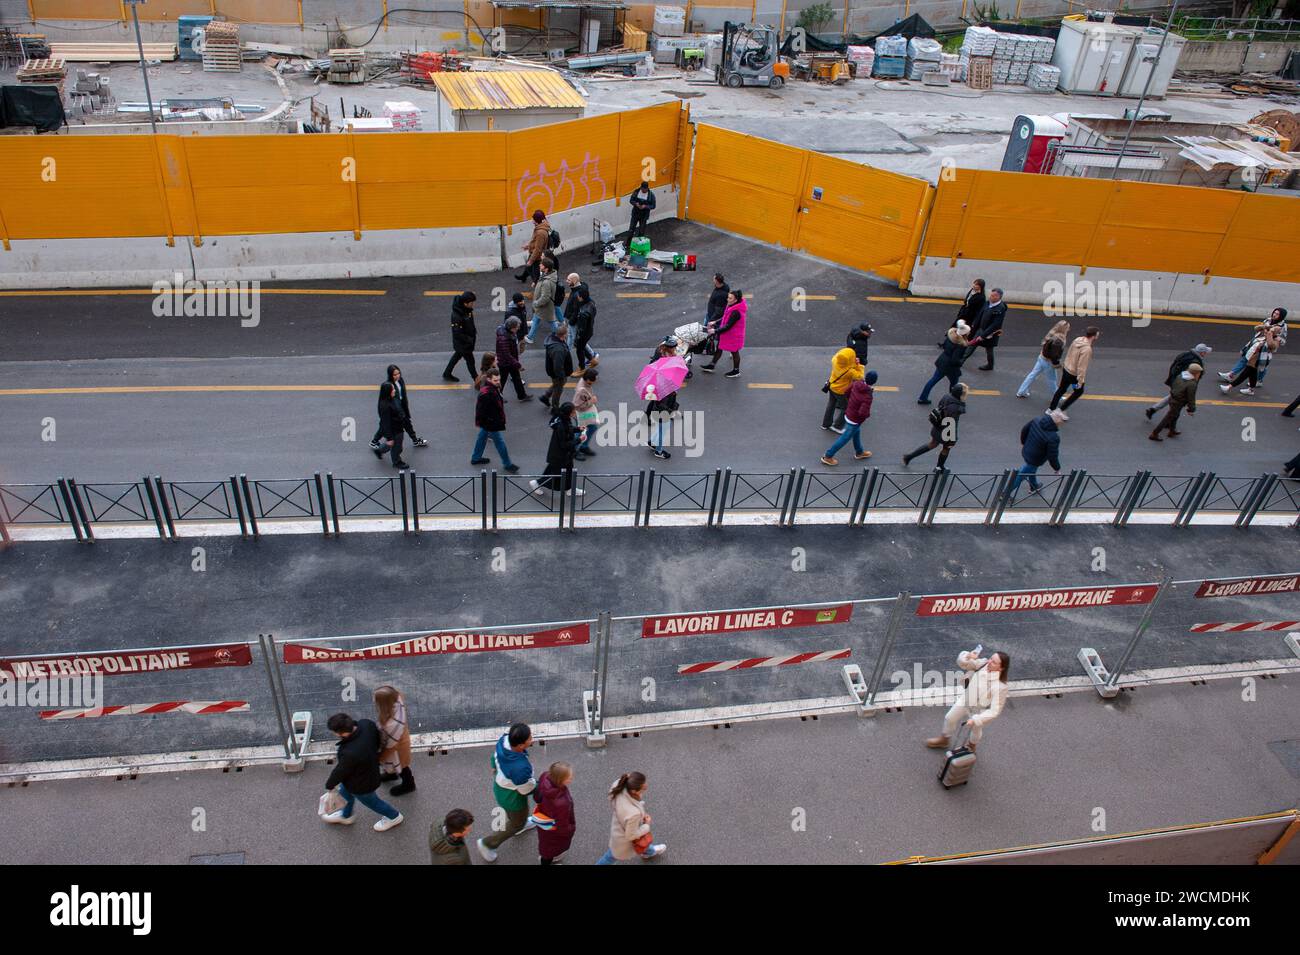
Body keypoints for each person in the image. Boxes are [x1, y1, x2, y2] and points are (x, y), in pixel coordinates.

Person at [321, 712, 404, 832]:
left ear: (342, 733)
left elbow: (340, 771)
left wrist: (329, 785)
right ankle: (346, 815)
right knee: (346, 794)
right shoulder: (366, 724)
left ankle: (394, 816)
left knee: (373, 802)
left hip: (361, 784)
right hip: (367, 771)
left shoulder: (350, 752)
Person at [924, 650, 1009, 752]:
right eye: (991, 658)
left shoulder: (1001, 686)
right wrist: (969, 655)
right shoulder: (983, 664)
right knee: (949, 718)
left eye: (994, 662)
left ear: (1001, 668)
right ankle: (944, 740)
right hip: (966, 700)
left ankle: (971, 746)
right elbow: (962, 663)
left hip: (979, 710)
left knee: (975, 730)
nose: (989, 662)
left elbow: (995, 711)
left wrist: (976, 719)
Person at [476, 722, 538, 863]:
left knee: (516, 817)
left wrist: (494, 767)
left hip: (501, 789)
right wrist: (539, 786)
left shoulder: (504, 740)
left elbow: (495, 756)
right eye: (529, 738)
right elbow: (525, 789)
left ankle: (520, 824)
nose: (532, 739)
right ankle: (487, 843)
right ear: (521, 745)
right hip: (512, 798)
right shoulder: (520, 768)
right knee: (516, 822)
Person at [597, 771, 665, 864]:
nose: (646, 786)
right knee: (611, 855)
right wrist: (646, 825)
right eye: (642, 788)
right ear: (633, 791)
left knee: (642, 841)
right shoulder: (633, 814)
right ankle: (650, 851)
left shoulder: (618, 784)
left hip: (618, 826)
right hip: (622, 839)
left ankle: (650, 851)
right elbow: (631, 835)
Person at [903, 382, 968, 470]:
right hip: (947, 431)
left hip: (937, 425)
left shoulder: (946, 396)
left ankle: (909, 457)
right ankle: (939, 467)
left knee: (932, 444)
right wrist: (952, 439)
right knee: (946, 448)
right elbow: (951, 423)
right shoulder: (956, 407)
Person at [1220, 307, 1287, 388]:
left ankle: (1258, 381)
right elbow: (1258, 330)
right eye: (1274, 313)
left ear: (1281, 316)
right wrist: (1262, 328)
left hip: (1266, 347)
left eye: (1277, 314)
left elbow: (1282, 341)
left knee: (1261, 365)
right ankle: (1231, 374)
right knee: (1246, 359)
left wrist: (1273, 335)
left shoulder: (1283, 326)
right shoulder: (1268, 320)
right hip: (1256, 342)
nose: (1274, 315)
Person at [821, 371, 876, 465]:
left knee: (856, 432)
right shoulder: (867, 396)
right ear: (874, 382)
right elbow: (863, 413)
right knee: (845, 438)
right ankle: (828, 456)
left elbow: (846, 392)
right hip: (855, 420)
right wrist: (867, 415)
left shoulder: (856, 383)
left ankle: (859, 452)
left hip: (848, 413)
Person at [369, 365, 428, 454]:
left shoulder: (400, 381)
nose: (397, 376)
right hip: (396, 410)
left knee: (404, 424)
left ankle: (415, 440)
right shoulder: (388, 385)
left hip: (401, 407)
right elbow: (388, 400)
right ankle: (414, 440)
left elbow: (403, 396)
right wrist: (401, 413)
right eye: (394, 375)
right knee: (390, 425)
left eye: (398, 373)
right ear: (390, 375)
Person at [1008, 408, 1066, 498]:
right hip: (1035, 459)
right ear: (1057, 423)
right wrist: (1057, 468)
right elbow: (1052, 455)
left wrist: (1024, 442)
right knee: (1021, 474)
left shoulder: (1037, 420)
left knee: (1031, 470)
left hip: (1027, 450)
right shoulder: (1053, 437)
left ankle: (1034, 486)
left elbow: (1024, 429)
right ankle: (1005, 494)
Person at [470, 369, 520, 472]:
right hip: (491, 422)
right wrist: (493, 421)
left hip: (488, 421)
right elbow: (482, 411)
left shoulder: (489, 388)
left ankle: (476, 458)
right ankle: (507, 464)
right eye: (495, 380)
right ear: (489, 379)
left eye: (498, 379)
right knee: (500, 442)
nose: (498, 382)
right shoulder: (488, 393)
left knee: (482, 437)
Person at [530, 402, 584, 495]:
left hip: (562, 454)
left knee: (568, 472)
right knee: (555, 475)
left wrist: (578, 429)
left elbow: (569, 429)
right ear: (569, 413)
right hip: (560, 455)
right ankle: (537, 483)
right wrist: (579, 439)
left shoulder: (563, 419)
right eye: (573, 411)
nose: (575, 412)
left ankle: (570, 489)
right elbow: (564, 444)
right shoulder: (561, 425)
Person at [1145, 343, 1212, 418]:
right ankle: (1168, 420)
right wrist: (1191, 408)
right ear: (1202, 352)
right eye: (1205, 352)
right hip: (1183, 383)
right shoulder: (1195, 361)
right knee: (1178, 402)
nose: (1206, 353)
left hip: (1175, 379)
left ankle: (1153, 410)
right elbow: (1194, 375)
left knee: (1172, 397)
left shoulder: (1185, 354)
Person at [374, 684, 415, 796]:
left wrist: (379, 759)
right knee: (397, 764)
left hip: (398, 748)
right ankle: (391, 774)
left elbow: (390, 747)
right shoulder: (397, 699)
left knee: (403, 766)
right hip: (402, 740)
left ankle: (409, 784)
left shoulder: (391, 725)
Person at [534, 762, 577, 865]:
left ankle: (545, 858)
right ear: (560, 779)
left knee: (546, 845)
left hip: (543, 819)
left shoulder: (545, 776)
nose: (572, 779)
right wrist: (571, 829)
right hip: (554, 830)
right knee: (550, 850)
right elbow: (562, 826)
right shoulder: (562, 802)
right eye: (569, 777)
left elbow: (537, 796)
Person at [1220, 323, 1278, 397]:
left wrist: (1270, 333)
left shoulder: (1274, 341)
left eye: (1267, 332)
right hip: (1251, 357)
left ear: (1271, 333)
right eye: (1265, 331)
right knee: (1252, 374)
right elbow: (1256, 329)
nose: (1265, 332)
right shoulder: (1262, 337)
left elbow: (1271, 345)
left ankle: (1229, 387)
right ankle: (1251, 390)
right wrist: (1265, 327)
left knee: (1244, 374)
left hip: (1257, 360)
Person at [918, 321, 970, 405]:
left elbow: (945, 346)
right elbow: (955, 360)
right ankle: (953, 401)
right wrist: (960, 363)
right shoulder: (961, 345)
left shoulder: (951, 336)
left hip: (942, 361)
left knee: (933, 380)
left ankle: (922, 397)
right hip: (951, 367)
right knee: (954, 385)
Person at [1049, 325, 1098, 412]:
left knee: (1062, 389)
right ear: (1094, 336)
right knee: (1078, 391)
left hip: (1066, 369)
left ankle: (1051, 409)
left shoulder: (1077, 339)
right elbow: (1081, 367)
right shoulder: (1087, 349)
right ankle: (1061, 410)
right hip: (1073, 375)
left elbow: (1069, 352)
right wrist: (1080, 381)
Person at [1016, 320, 1069, 399]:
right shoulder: (1059, 340)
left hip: (1041, 358)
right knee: (1052, 380)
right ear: (1064, 329)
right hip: (1048, 362)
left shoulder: (1052, 334)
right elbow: (1054, 356)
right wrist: (1057, 365)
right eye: (1068, 328)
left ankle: (1021, 391)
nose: (1069, 330)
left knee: (1032, 375)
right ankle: (1057, 396)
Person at [1149, 363, 1201, 441]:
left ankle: (1172, 430)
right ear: (1196, 373)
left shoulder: (1180, 376)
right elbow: (1191, 398)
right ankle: (1154, 434)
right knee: (1168, 418)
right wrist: (1191, 409)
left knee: (1175, 415)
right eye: (1199, 373)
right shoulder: (1192, 384)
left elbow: (1174, 386)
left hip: (1172, 398)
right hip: (1178, 402)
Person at [702, 289, 746, 378]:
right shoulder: (732, 306)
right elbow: (725, 317)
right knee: (719, 347)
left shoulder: (736, 312)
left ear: (735, 300)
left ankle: (736, 371)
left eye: (730, 298)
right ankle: (712, 364)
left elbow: (728, 325)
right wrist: (715, 322)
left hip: (733, 335)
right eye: (728, 297)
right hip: (727, 334)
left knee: (734, 352)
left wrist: (715, 331)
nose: (727, 300)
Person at [822, 346, 865, 433]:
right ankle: (837, 426)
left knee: (831, 404)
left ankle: (826, 424)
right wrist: (859, 365)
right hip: (841, 391)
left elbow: (837, 356)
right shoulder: (849, 371)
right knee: (846, 408)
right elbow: (860, 377)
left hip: (832, 386)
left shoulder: (835, 361)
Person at [964, 287, 1006, 370]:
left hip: (990, 333)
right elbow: (980, 314)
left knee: (989, 349)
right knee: (971, 346)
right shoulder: (987, 303)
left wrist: (983, 335)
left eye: (994, 296)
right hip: (981, 329)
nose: (991, 297)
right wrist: (974, 325)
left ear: (999, 297)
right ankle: (960, 361)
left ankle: (990, 365)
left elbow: (995, 324)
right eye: (991, 295)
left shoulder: (1000, 308)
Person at [442, 291, 478, 382]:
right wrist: (469, 339)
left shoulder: (467, 310)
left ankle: (447, 373)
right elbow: (457, 333)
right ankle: (476, 379)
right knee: (470, 361)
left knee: (457, 356)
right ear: (465, 303)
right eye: (471, 303)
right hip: (463, 343)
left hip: (466, 342)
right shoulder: (457, 316)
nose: (473, 304)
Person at [496, 315, 532, 402]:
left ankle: (522, 395)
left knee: (516, 378)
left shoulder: (507, 332)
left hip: (510, 362)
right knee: (501, 381)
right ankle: (497, 397)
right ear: (511, 327)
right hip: (505, 363)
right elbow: (507, 355)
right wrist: (518, 364)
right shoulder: (504, 338)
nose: (518, 329)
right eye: (517, 327)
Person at [374, 381, 410, 469]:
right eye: (392, 389)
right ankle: (397, 462)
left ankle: (379, 450)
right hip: (395, 429)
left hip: (398, 426)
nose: (394, 390)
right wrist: (389, 437)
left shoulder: (390, 399)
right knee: (397, 447)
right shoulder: (385, 406)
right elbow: (386, 422)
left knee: (393, 444)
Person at [540, 321, 574, 413]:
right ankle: (555, 408)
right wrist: (561, 376)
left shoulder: (553, 339)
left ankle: (545, 396)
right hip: (558, 374)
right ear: (564, 335)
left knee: (556, 385)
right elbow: (558, 366)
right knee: (558, 389)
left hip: (554, 371)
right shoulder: (558, 349)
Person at [526, 258, 559, 345]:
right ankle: (530, 337)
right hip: (543, 307)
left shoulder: (546, 282)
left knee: (551, 322)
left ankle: (560, 336)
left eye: (542, 265)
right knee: (536, 319)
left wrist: (536, 303)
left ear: (546, 268)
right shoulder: (547, 275)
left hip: (544, 307)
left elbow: (545, 297)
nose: (539, 265)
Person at [516, 209, 551, 284]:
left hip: (537, 256)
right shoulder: (542, 226)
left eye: (533, 219)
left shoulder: (540, 232)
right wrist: (528, 246)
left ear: (536, 220)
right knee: (528, 267)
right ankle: (524, 276)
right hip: (535, 253)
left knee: (534, 272)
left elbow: (538, 249)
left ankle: (537, 284)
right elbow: (535, 242)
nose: (532, 220)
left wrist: (531, 260)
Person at [573, 367, 600, 459]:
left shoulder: (584, 381)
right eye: (593, 381)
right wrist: (591, 401)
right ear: (588, 379)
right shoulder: (581, 390)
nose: (594, 382)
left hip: (585, 411)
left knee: (592, 427)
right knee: (580, 431)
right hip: (581, 413)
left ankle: (583, 447)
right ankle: (574, 450)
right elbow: (577, 405)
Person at [571, 286, 598, 372]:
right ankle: (592, 360)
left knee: (579, 349)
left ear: (581, 297)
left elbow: (581, 329)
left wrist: (577, 338)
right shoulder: (591, 303)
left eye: (578, 296)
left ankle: (581, 368)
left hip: (584, 333)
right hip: (589, 330)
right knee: (582, 347)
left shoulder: (583, 313)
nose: (577, 297)